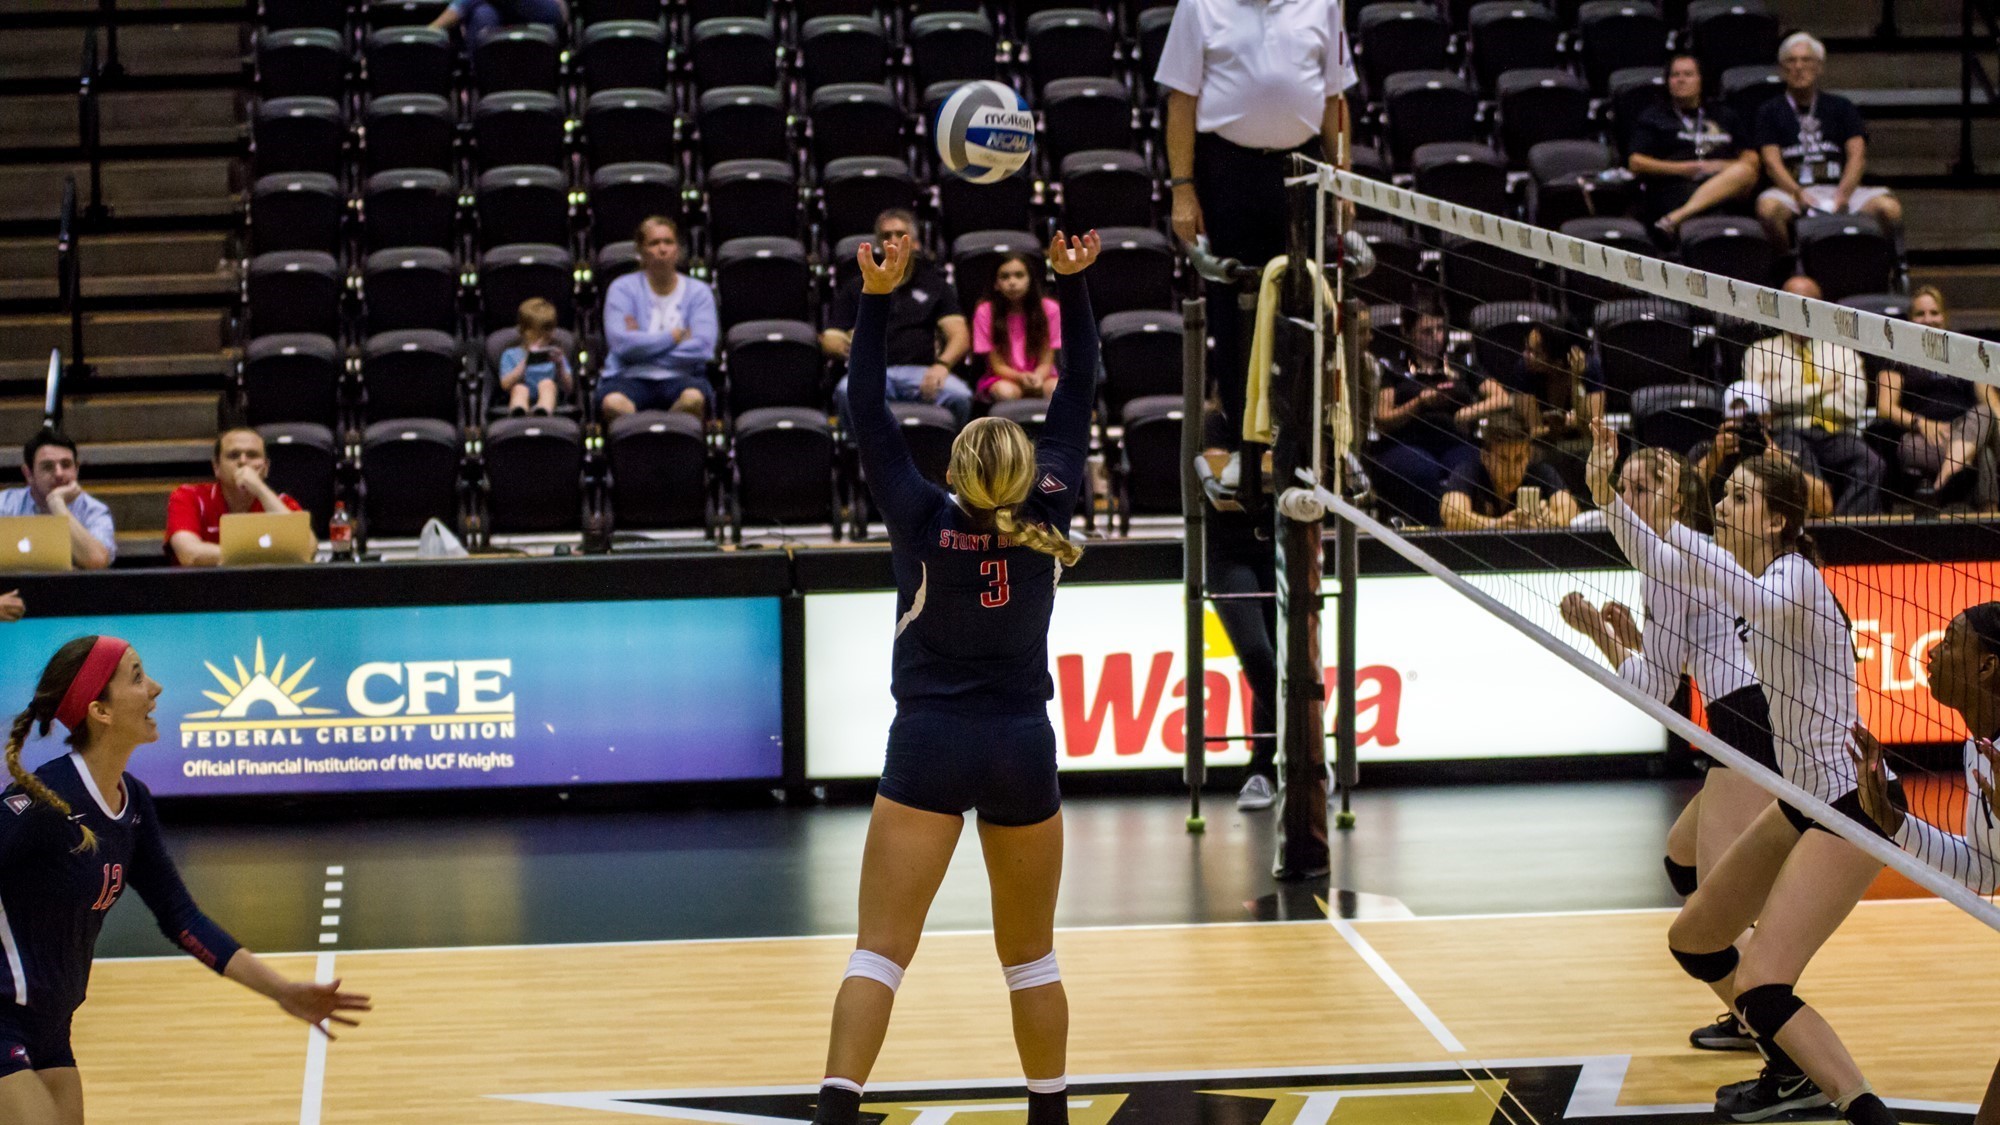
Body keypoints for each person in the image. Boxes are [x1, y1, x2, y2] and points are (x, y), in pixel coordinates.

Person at [806, 230, 1100, 1125]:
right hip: (1019, 746)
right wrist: (1074, 288)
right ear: (1025, 471)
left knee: (879, 954)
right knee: (1032, 960)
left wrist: (876, 297)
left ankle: (835, 1111)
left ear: (956, 470)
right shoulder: (1052, 503)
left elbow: (867, 407)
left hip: (927, 743)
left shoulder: (920, 515)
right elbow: (1077, 394)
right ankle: (1047, 1115)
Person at [1624, 449, 1902, 1125]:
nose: (1723, 504)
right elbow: (1670, 575)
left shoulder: (1793, 577)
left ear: (1778, 519)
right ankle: (1795, 1068)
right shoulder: (1743, 581)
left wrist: (1676, 526)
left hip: (1847, 799)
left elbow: (1755, 597)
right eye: (1722, 493)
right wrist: (1626, 511)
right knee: (1696, 937)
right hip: (1801, 795)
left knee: (1761, 983)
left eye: (1740, 497)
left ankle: (1855, 1103)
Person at [0, 636, 371, 1125]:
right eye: (136, 677)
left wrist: (281, 990)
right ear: (100, 711)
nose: (155, 688)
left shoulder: (132, 803)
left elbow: (182, 917)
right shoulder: (45, 802)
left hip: (52, 1025)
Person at [1568, 429, 1776, 1050]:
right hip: (1752, 724)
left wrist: (1597, 638)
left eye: (1644, 488)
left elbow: (1656, 694)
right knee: (1680, 859)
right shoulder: (1693, 559)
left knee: (1710, 921)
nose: (1631, 498)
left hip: (1747, 734)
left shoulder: (1669, 565)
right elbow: (1687, 667)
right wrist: (1623, 638)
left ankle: (1772, 1036)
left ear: (1679, 501)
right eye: (1624, 487)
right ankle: (1755, 1005)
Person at [1156, 0, 1356, 443]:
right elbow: (1181, 101)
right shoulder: (1199, 6)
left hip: (1303, 168)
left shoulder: (1324, 6)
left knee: (1301, 301)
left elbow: (1333, 99)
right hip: (1228, 170)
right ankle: (1242, 437)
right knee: (1234, 303)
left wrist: (1344, 176)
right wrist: (1183, 190)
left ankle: (1298, 439)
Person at [1738, 276, 1884, 515]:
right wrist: (1823, 388)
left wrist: (1788, 398)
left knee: (1871, 462)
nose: (1800, 310)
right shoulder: (1760, 352)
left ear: (1820, 308)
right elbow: (1763, 401)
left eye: (1807, 303)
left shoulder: (1843, 352)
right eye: (1792, 303)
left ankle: (1845, 532)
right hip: (1787, 432)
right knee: (1801, 468)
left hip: (1835, 434)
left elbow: (1852, 406)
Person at [825, 210, 974, 427]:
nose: (893, 240)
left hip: (922, 372)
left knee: (959, 396)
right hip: (874, 372)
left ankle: (951, 455)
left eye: (900, 235)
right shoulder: (856, 286)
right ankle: (858, 456)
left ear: (914, 243)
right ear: (878, 244)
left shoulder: (935, 286)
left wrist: (942, 365)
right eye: (886, 236)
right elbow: (830, 337)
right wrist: (848, 344)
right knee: (845, 392)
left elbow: (959, 334)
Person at [1368, 301, 1513, 525]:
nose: (1436, 337)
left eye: (1440, 330)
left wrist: (1466, 413)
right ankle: (1433, 533)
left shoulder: (1460, 365)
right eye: (1426, 331)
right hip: (1407, 443)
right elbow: (1383, 419)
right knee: (1424, 470)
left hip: (1455, 442)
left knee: (1475, 464)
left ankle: (1471, 529)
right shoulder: (1395, 369)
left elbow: (1502, 398)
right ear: (1408, 333)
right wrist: (1419, 403)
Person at [1754, 32, 1902, 251]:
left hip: (1840, 188)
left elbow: (1857, 157)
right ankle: (1788, 262)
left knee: (1889, 208)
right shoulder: (1769, 111)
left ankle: (1888, 266)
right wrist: (1798, 193)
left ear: (1820, 67)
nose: (1799, 67)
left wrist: (1842, 195)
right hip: (1792, 191)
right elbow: (1771, 163)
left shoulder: (1842, 107)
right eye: (1791, 61)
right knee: (1768, 209)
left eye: (1806, 60)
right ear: (1782, 69)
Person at [1200, 406, 1279, 811]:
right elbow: (1223, 487)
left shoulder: (1291, 415)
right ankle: (1306, 748)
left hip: (1281, 549)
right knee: (1257, 653)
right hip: (1229, 555)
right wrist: (1271, 471)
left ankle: (1263, 769)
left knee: (1285, 659)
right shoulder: (1221, 418)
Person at [1871, 286, 1996, 506]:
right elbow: (1885, 407)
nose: (1928, 320)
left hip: (1967, 427)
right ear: (1910, 319)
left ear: (1944, 317)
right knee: (1982, 454)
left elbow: (1990, 404)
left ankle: (1940, 486)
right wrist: (1920, 423)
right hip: (1920, 437)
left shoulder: (1965, 352)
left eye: (1934, 313)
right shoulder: (1897, 356)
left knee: (1983, 415)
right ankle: (1991, 517)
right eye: (1920, 314)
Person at [598, 217, 718, 422]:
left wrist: (640, 347)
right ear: (641, 251)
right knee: (613, 403)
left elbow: (703, 348)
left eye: (668, 242)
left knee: (693, 400)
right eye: (654, 243)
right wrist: (674, 337)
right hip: (629, 377)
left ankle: (668, 440)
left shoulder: (699, 292)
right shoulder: (622, 289)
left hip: (683, 376)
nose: (662, 249)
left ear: (678, 249)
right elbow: (621, 345)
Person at [1629, 53, 1762, 236]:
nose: (1681, 80)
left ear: (1701, 80)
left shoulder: (1724, 114)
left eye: (1688, 74)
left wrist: (1721, 166)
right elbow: (1636, 162)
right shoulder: (1654, 116)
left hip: (1724, 185)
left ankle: (1678, 217)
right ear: (1667, 82)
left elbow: (1751, 157)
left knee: (1745, 171)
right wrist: (1686, 169)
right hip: (1675, 187)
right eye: (1675, 75)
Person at [163, 427, 305, 567]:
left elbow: (304, 548)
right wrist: (266, 555)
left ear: (266, 467)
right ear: (216, 467)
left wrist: (260, 489)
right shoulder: (188, 496)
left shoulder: (281, 502)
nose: (243, 461)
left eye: (252, 455)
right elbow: (189, 555)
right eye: (233, 455)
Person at [1438, 413, 1580, 531]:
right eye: (1503, 459)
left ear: (1528, 455)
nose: (1511, 469)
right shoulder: (1469, 472)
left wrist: (1553, 522)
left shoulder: (1541, 472)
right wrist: (1496, 525)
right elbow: (1452, 515)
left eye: (1519, 459)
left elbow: (1571, 510)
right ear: (1485, 457)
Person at [0, 431, 113, 570]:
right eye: (47, 467)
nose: (59, 474)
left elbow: (97, 562)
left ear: (76, 469)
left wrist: (57, 504)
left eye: (66, 465)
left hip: (71, 590)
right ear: (28, 474)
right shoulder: (4, 504)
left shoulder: (93, 510)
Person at [973, 253, 1062, 403]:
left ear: (1030, 280)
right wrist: (1021, 377)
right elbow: (996, 364)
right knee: (1006, 392)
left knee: (1056, 389)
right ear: (996, 283)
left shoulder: (1050, 309)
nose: (1012, 282)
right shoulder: (985, 311)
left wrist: (1037, 377)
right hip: (1002, 378)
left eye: (1019, 275)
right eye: (1005, 277)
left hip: (1042, 376)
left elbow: (1047, 358)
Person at [498, 297, 573, 417]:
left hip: (550, 397)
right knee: (519, 388)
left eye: (548, 334)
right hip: (520, 393)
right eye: (539, 334)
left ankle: (542, 412)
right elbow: (505, 385)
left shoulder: (555, 354)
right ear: (525, 331)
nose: (544, 338)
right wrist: (526, 361)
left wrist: (560, 366)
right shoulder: (510, 355)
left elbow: (568, 388)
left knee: (547, 384)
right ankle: (519, 413)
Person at [429, 0, 565, 55]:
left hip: (545, 7)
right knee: (483, 14)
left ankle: (431, 31)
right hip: (493, 9)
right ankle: (488, 89)